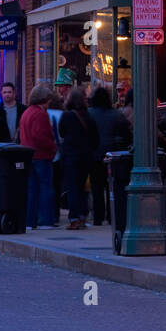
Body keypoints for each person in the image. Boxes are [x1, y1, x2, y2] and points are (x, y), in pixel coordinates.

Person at [87, 85, 131, 225]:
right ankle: (112, 216)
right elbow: (126, 132)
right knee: (111, 186)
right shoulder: (116, 115)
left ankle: (98, 217)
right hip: (112, 155)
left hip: (94, 154)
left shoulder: (89, 113)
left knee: (97, 187)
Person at [19, 84, 58, 229]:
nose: (49, 102)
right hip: (41, 155)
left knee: (32, 189)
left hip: (28, 155)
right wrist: (53, 147)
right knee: (45, 188)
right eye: (48, 99)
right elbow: (40, 136)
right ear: (44, 99)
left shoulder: (27, 112)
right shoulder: (40, 114)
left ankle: (30, 221)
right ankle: (45, 220)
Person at [59, 89, 99, 229]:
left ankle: (74, 218)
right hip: (86, 156)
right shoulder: (88, 116)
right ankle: (82, 216)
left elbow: (61, 132)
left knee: (72, 187)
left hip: (71, 156)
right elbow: (95, 139)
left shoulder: (66, 115)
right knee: (82, 187)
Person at [46, 90, 66, 223]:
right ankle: (55, 213)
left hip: (46, 153)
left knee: (46, 185)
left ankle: (48, 212)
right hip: (58, 153)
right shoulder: (61, 114)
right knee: (57, 185)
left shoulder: (44, 113)